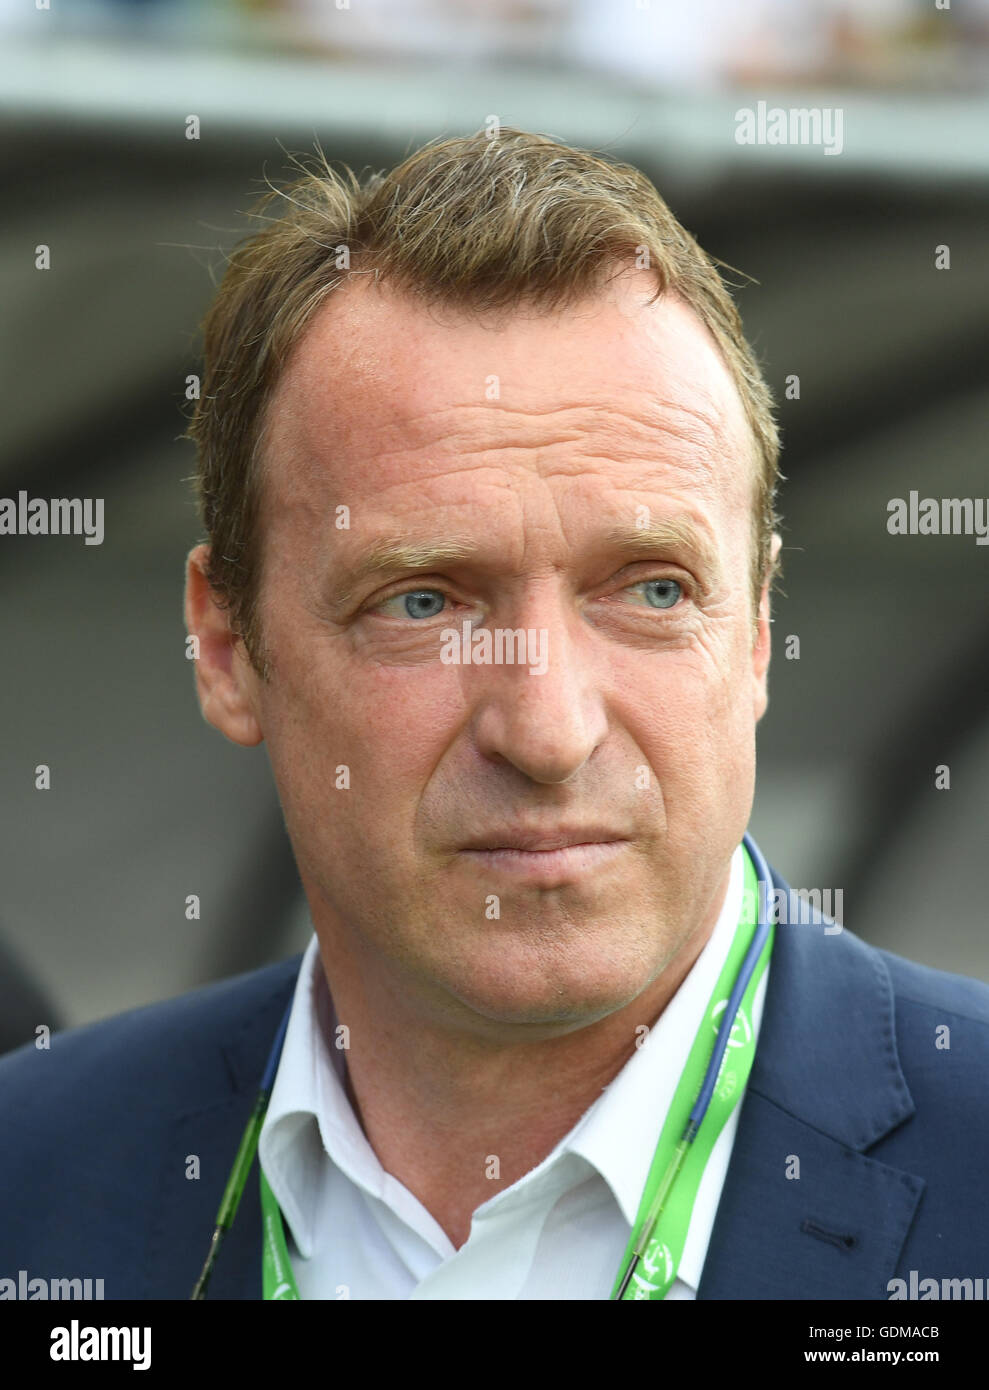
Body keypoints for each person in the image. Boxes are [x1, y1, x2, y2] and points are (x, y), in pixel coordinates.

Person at [2, 129, 986, 1302]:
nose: (548, 729)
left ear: (758, 628)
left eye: (651, 590)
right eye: (423, 601)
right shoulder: (32, 1178)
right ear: (226, 648)